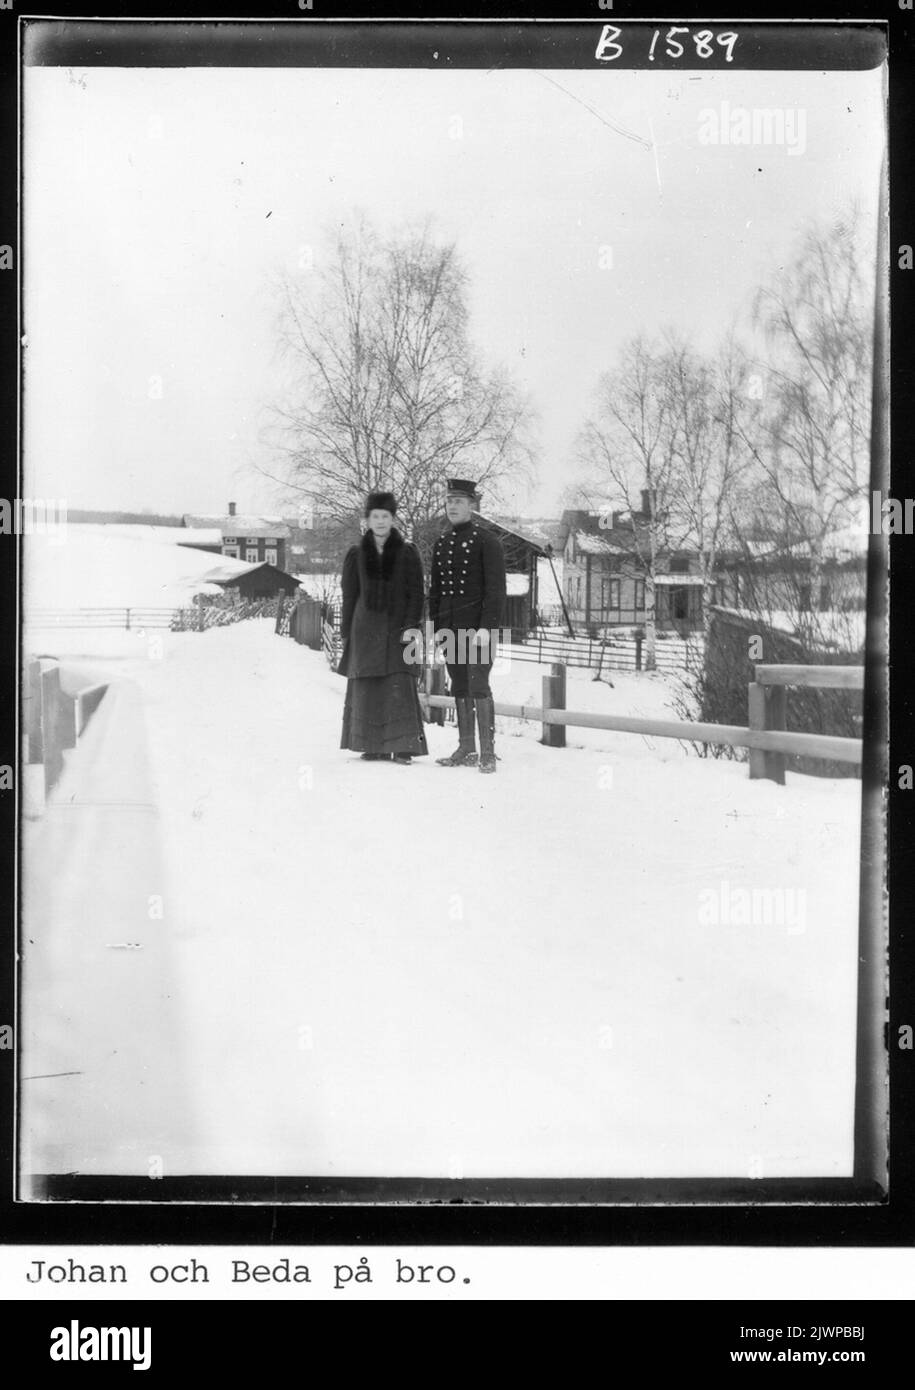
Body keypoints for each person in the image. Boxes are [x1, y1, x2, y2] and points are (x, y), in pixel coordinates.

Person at [338, 492, 429, 766]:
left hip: (399, 628)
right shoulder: (356, 554)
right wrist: (345, 632)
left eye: (385, 517)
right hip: (364, 630)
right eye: (375, 516)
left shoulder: (407, 552)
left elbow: (417, 593)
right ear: (367, 520)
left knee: (399, 684)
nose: (380, 521)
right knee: (369, 685)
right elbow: (349, 596)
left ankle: (403, 748)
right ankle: (371, 746)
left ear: (393, 519)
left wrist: (413, 626)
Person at [429, 478, 507, 774]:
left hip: (478, 629)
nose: (453, 506)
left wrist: (488, 627)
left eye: (459, 501)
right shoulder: (442, 542)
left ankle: (487, 751)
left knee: (478, 685)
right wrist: (437, 628)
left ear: (473, 505)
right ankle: (466, 747)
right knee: (458, 684)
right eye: (449, 501)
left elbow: (496, 590)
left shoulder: (487, 541)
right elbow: (435, 591)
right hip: (450, 627)